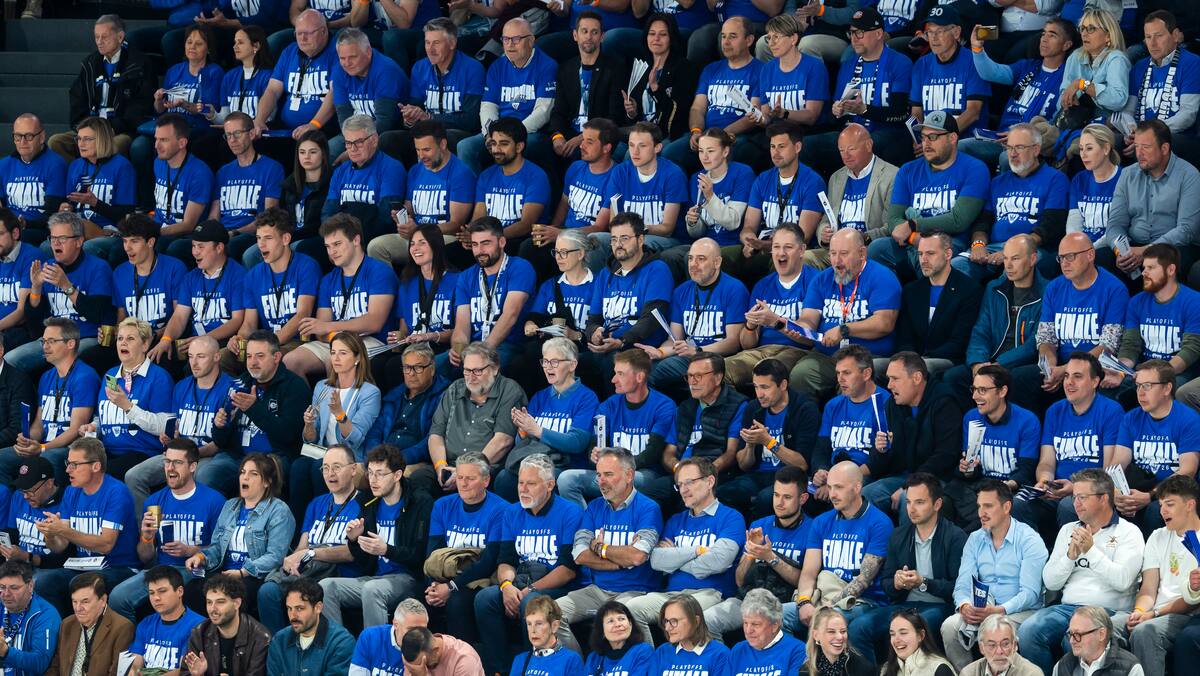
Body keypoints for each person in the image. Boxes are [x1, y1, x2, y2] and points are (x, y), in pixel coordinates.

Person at [1017, 468, 1145, 673]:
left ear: (1104, 498)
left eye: (1083, 497)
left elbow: (1123, 581)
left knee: (1078, 640)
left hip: (1108, 610)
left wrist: (1091, 551)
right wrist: (1070, 557)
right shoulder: (1068, 530)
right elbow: (1051, 583)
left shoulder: (1129, 532)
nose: (1075, 503)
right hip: (1068, 608)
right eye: (1075, 497)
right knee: (1028, 631)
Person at [474, 453, 583, 673]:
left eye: (531, 484)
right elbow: (505, 560)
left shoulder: (570, 512)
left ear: (550, 484)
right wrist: (506, 587)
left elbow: (568, 570)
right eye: (520, 483)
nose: (523, 489)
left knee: (531, 603)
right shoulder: (512, 512)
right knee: (485, 598)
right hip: (521, 582)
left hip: (556, 585)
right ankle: (499, 669)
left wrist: (528, 591)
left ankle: (532, 667)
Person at [552, 447, 662, 652]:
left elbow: (637, 556)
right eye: (599, 475)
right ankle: (579, 669)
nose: (601, 481)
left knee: (620, 614)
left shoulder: (648, 508)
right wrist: (620, 562)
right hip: (597, 590)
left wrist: (600, 548)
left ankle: (646, 668)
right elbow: (580, 555)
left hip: (635, 591)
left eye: (608, 475)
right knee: (552, 615)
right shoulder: (594, 508)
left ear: (629, 475)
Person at [623, 457, 744, 643]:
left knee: (680, 614)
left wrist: (676, 559)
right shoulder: (675, 520)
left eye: (689, 483)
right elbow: (656, 560)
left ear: (710, 481)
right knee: (630, 608)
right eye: (679, 485)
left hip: (710, 593)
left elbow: (720, 561)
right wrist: (697, 551)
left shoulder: (730, 517)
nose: (683, 490)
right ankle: (648, 665)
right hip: (672, 594)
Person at [110, 438, 226, 623]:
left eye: (178, 463)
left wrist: (191, 550)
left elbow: (221, 552)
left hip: (196, 570)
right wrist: (147, 538)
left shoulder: (214, 501)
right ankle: (136, 644)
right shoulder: (154, 502)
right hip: (162, 569)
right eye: (167, 462)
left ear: (193, 467)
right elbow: (145, 557)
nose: (170, 468)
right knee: (118, 597)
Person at [868, 111, 990, 282]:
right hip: (911, 241)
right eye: (923, 137)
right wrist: (914, 237)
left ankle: (925, 302)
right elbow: (894, 219)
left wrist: (914, 225)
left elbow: (958, 220)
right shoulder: (908, 170)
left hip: (949, 243)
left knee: (934, 255)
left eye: (933, 137)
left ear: (953, 138)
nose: (925, 143)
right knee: (876, 249)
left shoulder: (975, 169)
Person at [321, 444, 434, 629]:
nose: (373, 480)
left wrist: (386, 550)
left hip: (408, 579)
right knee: (326, 586)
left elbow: (420, 556)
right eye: (370, 473)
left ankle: (374, 651)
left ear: (397, 475)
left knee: (371, 590)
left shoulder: (419, 503)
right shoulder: (369, 503)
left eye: (380, 474)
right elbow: (363, 560)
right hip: (375, 578)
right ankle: (341, 648)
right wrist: (354, 539)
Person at [854, 473, 966, 658]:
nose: (911, 509)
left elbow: (958, 588)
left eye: (919, 502)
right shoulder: (899, 535)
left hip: (940, 607)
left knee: (913, 628)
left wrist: (923, 582)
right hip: (904, 606)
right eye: (908, 502)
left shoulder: (955, 537)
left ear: (937, 504)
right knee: (859, 627)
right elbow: (887, 584)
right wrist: (897, 583)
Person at [942, 481, 1049, 671]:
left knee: (1016, 631)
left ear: (1007, 507)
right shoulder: (974, 539)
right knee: (950, 627)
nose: (981, 513)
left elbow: (1030, 594)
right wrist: (965, 606)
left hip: (1019, 612)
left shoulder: (1029, 540)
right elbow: (962, 585)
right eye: (979, 506)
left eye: (988, 506)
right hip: (983, 610)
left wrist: (999, 610)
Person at [794, 461, 894, 660]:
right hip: (823, 595)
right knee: (779, 616)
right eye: (830, 487)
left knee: (831, 624)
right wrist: (804, 602)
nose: (832, 494)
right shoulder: (822, 522)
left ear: (857, 487)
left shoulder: (879, 523)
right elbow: (809, 572)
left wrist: (825, 608)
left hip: (863, 601)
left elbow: (863, 581)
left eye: (838, 487)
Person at [1019, 232, 1128, 413]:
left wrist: (1066, 371)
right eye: (1061, 258)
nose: (1065, 263)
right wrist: (1051, 368)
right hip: (1060, 364)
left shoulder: (1114, 289)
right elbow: (1046, 338)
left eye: (1070, 256)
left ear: (1090, 255)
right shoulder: (1054, 288)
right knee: (1020, 379)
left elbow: (1108, 346)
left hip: (1094, 367)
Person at [258, 444, 360, 633]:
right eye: (326, 468)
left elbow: (351, 553)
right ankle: (279, 648)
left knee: (308, 595)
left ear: (353, 469)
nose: (330, 474)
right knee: (268, 591)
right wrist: (293, 560)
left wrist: (312, 553)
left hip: (337, 573)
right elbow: (302, 546)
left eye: (337, 467)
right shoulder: (317, 503)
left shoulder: (363, 505)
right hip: (308, 571)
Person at [33, 438, 140, 618]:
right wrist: (50, 534)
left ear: (96, 466)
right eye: (68, 463)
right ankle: (64, 636)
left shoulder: (116, 492)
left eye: (75, 465)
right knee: (45, 582)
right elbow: (60, 546)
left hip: (118, 567)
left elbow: (106, 544)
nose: (68, 470)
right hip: (84, 567)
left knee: (81, 584)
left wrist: (63, 530)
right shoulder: (71, 491)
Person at [556, 349, 675, 508]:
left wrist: (617, 468)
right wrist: (595, 455)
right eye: (614, 373)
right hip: (609, 473)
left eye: (620, 374)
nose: (613, 380)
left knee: (623, 482)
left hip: (643, 474)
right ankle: (586, 525)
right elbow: (596, 442)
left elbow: (652, 453)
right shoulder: (609, 405)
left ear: (639, 377)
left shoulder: (663, 406)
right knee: (566, 479)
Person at [285, 214, 397, 380]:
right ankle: (311, 405)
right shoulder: (328, 280)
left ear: (356, 240)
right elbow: (321, 330)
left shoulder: (379, 272)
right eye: (328, 246)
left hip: (372, 341)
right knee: (290, 362)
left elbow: (375, 322)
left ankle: (338, 406)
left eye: (337, 244)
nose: (332, 252)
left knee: (339, 360)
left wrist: (329, 328)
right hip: (336, 341)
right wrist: (332, 335)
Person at [704, 466, 812, 640]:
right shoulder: (759, 524)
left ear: (803, 498)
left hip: (782, 603)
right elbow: (739, 581)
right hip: (747, 600)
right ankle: (725, 666)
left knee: (770, 623)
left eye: (787, 497)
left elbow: (805, 581)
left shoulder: (813, 529)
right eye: (776, 495)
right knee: (707, 621)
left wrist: (770, 557)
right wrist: (750, 554)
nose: (779, 502)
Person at [793, 228, 901, 399]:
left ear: (862, 253)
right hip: (828, 356)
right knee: (801, 374)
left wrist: (844, 330)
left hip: (866, 357)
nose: (837, 261)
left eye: (843, 253)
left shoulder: (881, 277)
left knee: (851, 381)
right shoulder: (822, 279)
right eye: (833, 254)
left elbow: (884, 323)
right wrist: (789, 326)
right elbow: (808, 320)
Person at [183, 453, 296, 617]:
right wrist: (200, 557)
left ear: (267, 482)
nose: (245, 477)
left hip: (256, 576)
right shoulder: (230, 506)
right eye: (243, 472)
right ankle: (204, 638)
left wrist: (243, 572)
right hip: (225, 573)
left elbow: (275, 556)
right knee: (193, 589)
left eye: (253, 474)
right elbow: (216, 548)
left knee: (231, 595)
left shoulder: (279, 510)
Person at [580, 213, 674, 397]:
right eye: (614, 239)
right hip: (609, 346)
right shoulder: (605, 275)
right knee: (573, 363)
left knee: (613, 364)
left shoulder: (657, 270)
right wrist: (596, 333)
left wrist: (622, 341)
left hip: (640, 350)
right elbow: (593, 319)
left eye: (624, 238)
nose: (618, 244)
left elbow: (651, 319)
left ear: (640, 239)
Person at [947, 235, 1046, 410]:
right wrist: (978, 363)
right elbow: (981, 330)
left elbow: (1036, 342)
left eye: (1015, 259)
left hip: (1018, 364)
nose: (1008, 265)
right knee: (953, 377)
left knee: (1018, 378)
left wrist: (999, 365)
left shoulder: (1048, 292)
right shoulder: (994, 288)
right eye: (1006, 258)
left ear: (1033, 259)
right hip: (990, 362)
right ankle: (971, 428)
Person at [8, 212, 116, 372]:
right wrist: (36, 287)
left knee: (65, 361)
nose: (56, 243)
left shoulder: (98, 268)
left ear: (79, 241)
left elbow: (97, 314)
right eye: (53, 238)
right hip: (51, 339)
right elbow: (33, 321)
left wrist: (67, 286)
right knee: (9, 361)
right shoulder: (49, 267)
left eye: (62, 239)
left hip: (83, 338)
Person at [643, 239, 748, 400]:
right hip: (689, 356)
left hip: (716, 358)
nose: (693, 264)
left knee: (657, 372)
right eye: (691, 258)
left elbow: (733, 342)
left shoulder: (734, 289)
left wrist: (698, 351)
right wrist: (660, 351)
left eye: (701, 259)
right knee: (642, 369)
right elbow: (675, 340)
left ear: (717, 262)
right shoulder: (682, 291)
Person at [961, 19, 1073, 169]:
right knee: (961, 148)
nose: (1044, 39)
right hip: (1001, 139)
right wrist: (977, 49)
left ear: (1067, 45)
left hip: (1029, 143)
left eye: (1052, 35)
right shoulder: (1028, 66)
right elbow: (992, 73)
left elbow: (1058, 121)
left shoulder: (1067, 77)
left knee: (1006, 159)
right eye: (1043, 34)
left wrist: (1021, 135)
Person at [808, 9, 911, 173]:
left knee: (864, 146)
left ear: (878, 34)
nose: (854, 39)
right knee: (806, 146)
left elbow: (900, 113)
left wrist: (864, 110)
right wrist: (838, 111)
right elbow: (837, 115)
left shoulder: (900, 63)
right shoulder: (849, 64)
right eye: (852, 33)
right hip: (851, 134)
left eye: (860, 33)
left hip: (887, 133)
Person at [422, 452, 509, 644]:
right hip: (446, 576)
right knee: (422, 598)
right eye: (460, 477)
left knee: (457, 602)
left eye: (470, 478)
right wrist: (435, 586)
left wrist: (451, 587)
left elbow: (490, 560)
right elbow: (433, 553)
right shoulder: (442, 506)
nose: (463, 483)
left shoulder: (501, 510)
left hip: (481, 578)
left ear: (486, 481)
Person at [1118, 474, 1200, 676]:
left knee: (1146, 632)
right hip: (1152, 612)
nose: (1162, 511)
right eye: (1161, 504)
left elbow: (1193, 601)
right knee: (1104, 626)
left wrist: (1152, 615)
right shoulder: (1157, 536)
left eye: (1170, 504)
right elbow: (1148, 588)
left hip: (1184, 614)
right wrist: (1139, 611)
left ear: (1190, 505)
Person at [1030, 353, 1124, 529]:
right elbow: (1046, 462)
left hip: (1093, 493)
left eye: (1077, 377)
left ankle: (1074, 556)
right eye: (1066, 376)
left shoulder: (1111, 411)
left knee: (1069, 505)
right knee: (1020, 505)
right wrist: (1045, 482)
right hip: (1059, 491)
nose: (1069, 382)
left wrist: (1075, 487)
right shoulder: (1054, 411)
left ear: (1095, 382)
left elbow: (1108, 470)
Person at [1102, 120, 1200, 288]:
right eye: (1137, 146)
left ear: (1164, 148)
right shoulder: (1127, 174)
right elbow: (1115, 224)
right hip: (1133, 246)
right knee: (1098, 259)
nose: (1139, 153)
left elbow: (1186, 230)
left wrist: (1147, 251)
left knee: (1165, 265)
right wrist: (1121, 252)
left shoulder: (1189, 176)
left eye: (1146, 147)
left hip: (1173, 248)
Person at [0, 318, 97, 485]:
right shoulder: (46, 377)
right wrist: (27, 440)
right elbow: (38, 425)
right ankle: (11, 506)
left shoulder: (85, 377)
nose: (44, 346)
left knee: (47, 458)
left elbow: (75, 430)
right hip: (42, 446)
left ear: (71, 344)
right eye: (43, 341)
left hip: (67, 449)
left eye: (51, 341)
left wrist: (42, 448)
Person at [662, 18, 763, 176]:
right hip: (706, 134)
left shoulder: (760, 70)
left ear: (749, 40)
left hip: (737, 136)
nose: (726, 42)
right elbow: (698, 107)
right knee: (671, 154)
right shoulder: (711, 69)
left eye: (733, 36)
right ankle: (685, 199)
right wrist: (696, 131)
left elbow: (754, 113)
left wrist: (720, 136)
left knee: (740, 152)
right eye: (723, 36)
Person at [458, 18, 558, 175]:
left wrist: (513, 138)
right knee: (466, 146)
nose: (510, 44)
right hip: (499, 132)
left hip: (531, 132)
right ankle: (472, 198)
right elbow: (488, 106)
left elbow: (543, 111)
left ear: (531, 40)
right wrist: (489, 135)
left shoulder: (547, 65)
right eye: (505, 39)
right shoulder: (497, 66)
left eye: (516, 39)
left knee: (528, 144)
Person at [294, 332, 381, 512]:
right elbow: (310, 438)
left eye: (343, 353)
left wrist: (340, 415)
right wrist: (309, 424)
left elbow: (356, 439)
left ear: (357, 358)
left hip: (350, 457)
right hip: (320, 451)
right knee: (298, 466)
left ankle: (327, 517)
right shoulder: (322, 387)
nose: (336, 358)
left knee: (321, 468)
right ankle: (302, 527)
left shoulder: (369, 393)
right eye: (333, 353)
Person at [948, 364, 1042, 530]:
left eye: (983, 390)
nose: (975, 396)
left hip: (1010, 488)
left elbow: (1026, 471)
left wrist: (1006, 486)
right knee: (945, 495)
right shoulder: (971, 418)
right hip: (980, 485)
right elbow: (970, 470)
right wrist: (967, 469)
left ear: (1002, 391)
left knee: (995, 508)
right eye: (974, 389)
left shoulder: (1027, 421)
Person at [370, 121, 475, 270]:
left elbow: (455, 224)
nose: (421, 155)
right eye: (418, 150)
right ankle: (390, 292)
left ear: (443, 144)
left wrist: (419, 230)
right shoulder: (415, 170)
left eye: (426, 149)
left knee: (425, 250)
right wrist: (402, 216)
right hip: (416, 235)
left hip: (442, 237)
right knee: (376, 247)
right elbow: (409, 207)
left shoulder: (461, 174)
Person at [721, 359, 819, 517]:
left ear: (783, 385)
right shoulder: (753, 408)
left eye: (765, 387)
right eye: (756, 387)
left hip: (791, 477)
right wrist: (750, 445)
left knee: (766, 499)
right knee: (725, 493)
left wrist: (768, 441)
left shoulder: (804, 409)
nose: (759, 394)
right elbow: (744, 465)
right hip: (757, 475)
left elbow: (802, 465)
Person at [501, 339, 599, 497]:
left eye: (554, 362)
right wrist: (523, 430)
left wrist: (537, 430)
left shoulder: (587, 398)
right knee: (504, 479)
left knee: (542, 482)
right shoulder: (540, 396)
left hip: (567, 465)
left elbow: (577, 443)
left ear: (572, 365)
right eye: (545, 361)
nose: (547, 367)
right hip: (537, 463)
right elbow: (522, 445)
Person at [380, 18, 484, 164]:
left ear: (452, 43)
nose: (430, 49)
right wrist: (410, 117)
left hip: (456, 133)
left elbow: (470, 121)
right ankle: (409, 182)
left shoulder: (473, 69)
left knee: (443, 139)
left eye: (436, 43)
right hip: (426, 132)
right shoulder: (419, 68)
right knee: (387, 139)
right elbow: (417, 108)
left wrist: (430, 117)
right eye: (427, 42)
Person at [1114, 360, 1200, 532]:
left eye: (1147, 386)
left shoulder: (1188, 420)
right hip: (1137, 487)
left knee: (1157, 510)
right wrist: (1117, 494)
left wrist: (1150, 496)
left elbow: (1187, 471)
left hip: (1173, 492)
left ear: (1167, 389)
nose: (1140, 393)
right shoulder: (1131, 418)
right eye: (1138, 386)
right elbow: (1116, 465)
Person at [872, 355, 963, 517]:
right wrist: (883, 451)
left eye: (895, 379)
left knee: (910, 500)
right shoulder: (892, 405)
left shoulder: (944, 403)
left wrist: (910, 484)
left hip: (936, 479)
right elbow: (885, 466)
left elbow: (945, 455)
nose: (889, 385)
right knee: (867, 496)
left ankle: (911, 543)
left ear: (917, 378)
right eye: (888, 379)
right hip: (904, 476)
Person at [725, 222, 813, 388]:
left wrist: (775, 322)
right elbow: (747, 344)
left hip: (798, 351)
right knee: (719, 371)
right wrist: (751, 326)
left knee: (768, 373)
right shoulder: (762, 285)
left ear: (801, 250)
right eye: (776, 247)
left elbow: (810, 338)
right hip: (761, 351)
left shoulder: (815, 282)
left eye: (788, 247)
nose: (781, 253)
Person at [732, 123, 824, 282]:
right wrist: (750, 241)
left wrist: (766, 245)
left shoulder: (813, 182)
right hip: (761, 247)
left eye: (781, 146)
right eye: (772, 146)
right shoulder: (762, 179)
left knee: (779, 260)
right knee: (720, 258)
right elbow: (748, 226)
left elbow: (803, 237)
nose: (775, 152)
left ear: (797, 147)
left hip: (790, 252)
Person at [229, 208, 321, 365]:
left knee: (271, 360)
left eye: (268, 238)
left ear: (285, 239)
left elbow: (302, 314)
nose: (261, 245)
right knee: (221, 358)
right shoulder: (253, 275)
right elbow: (250, 323)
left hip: (297, 341)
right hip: (265, 344)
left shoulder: (306, 266)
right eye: (258, 238)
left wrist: (268, 344)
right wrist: (240, 338)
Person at [651, 354, 748, 502]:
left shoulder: (737, 405)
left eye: (698, 376)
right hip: (682, 475)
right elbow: (669, 452)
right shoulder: (685, 407)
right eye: (689, 376)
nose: (692, 382)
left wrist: (702, 475)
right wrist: (679, 469)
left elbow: (731, 453)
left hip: (713, 476)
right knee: (650, 492)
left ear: (717, 378)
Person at [56, 15, 155, 160]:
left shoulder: (139, 64)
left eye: (104, 37)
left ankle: (102, 182)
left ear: (120, 37)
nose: (99, 42)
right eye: (96, 37)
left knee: (114, 146)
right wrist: (85, 129)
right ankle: (78, 180)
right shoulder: (90, 64)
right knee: (57, 143)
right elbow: (77, 98)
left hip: (121, 130)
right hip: (91, 128)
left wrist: (110, 128)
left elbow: (140, 106)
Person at [444, 217, 535, 373]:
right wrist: (459, 348)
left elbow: (510, 315)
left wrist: (483, 350)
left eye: (486, 243)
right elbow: (462, 323)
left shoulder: (520, 268)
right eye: (475, 245)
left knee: (481, 369)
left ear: (502, 242)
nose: (480, 251)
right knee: (431, 368)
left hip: (506, 345)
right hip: (473, 347)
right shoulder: (466, 276)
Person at [427, 341, 527, 484]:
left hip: (485, 468)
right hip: (449, 465)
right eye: (467, 370)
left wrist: (465, 472)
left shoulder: (510, 391)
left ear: (495, 368)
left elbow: (503, 441)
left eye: (477, 371)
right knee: (420, 479)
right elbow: (436, 434)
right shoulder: (455, 389)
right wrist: (440, 467)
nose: (471, 377)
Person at [90, 317, 176, 477]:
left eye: (130, 339)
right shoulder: (111, 375)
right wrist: (94, 427)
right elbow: (102, 417)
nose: (123, 343)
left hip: (143, 453)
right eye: (120, 338)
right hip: (107, 451)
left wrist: (128, 407)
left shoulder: (159, 377)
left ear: (145, 344)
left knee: (101, 475)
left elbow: (164, 426)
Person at [811, 346, 892, 507]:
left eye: (846, 373)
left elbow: (884, 458)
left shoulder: (886, 403)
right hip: (835, 474)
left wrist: (839, 481)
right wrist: (821, 470)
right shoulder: (833, 405)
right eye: (838, 373)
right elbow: (822, 448)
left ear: (866, 374)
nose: (840, 379)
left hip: (867, 475)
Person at [595, 122, 688, 259]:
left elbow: (667, 228)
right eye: (631, 145)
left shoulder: (673, 174)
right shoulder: (620, 172)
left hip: (664, 239)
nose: (635, 152)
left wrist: (637, 230)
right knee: (594, 240)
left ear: (657, 147)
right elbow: (614, 221)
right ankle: (604, 280)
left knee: (640, 244)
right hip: (626, 237)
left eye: (642, 146)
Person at [811, 125, 899, 266]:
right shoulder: (836, 178)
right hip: (837, 250)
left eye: (851, 149)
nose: (846, 155)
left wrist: (864, 237)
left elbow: (892, 226)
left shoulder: (892, 176)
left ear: (869, 145)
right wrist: (823, 233)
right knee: (804, 259)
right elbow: (826, 219)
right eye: (841, 150)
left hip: (868, 249)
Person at [547, 12, 629, 164]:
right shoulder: (566, 68)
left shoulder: (615, 68)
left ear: (602, 37)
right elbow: (559, 111)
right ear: (575, 35)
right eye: (584, 31)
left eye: (594, 32)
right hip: (569, 135)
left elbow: (614, 117)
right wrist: (557, 137)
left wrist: (582, 138)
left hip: (599, 137)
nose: (589, 37)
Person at [1118, 244, 1200, 394]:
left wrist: (1154, 375)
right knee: (1110, 386)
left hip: (1179, 372)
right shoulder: (1136, 302)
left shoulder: (1194, 302)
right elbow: (1131, 345)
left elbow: (1191, 350)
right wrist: (1120, 371)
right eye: (1144, 268)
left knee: (1159, 391)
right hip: (1144, 370)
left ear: (1170, 270)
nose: (1144, 273)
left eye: (1151, 268)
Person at [898, 231, 983, 373]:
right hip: (912, 362)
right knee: (878, 367)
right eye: (920, 254)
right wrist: (912, 360)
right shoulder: (911, 291)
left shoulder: (970, 290)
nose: (923, 260)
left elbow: (959, 342)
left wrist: (922, 360)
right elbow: (904, 338)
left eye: (930, 254)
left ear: (948, 255)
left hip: (948, 361)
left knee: (924, 369)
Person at [1123, 10, 1200, 166]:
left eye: (1159, 36)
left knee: (1155, 148)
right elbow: (1128, 110)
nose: (1152, 43)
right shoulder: (1139, 66)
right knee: (1105, 142)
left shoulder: (1192, 63)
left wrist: (1150, 135)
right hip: (1140, 135)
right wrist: (1132, 131)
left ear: (1175, 35)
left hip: (1175, 136)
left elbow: (1188, 114)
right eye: (1148, 37)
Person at [211, 113, 286, 263]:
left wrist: (235, 232)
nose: (232, 140)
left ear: (251, 134)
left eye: (237, 134)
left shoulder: (272, 168)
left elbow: (268, 217)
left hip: (251, 234)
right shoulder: (223, 172)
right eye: (228, 135)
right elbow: (214, 216)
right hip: (223, 234)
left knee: (230, 247)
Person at [319, 115, 408, 241]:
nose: (353, 149)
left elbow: (386, 219)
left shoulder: (391, 168)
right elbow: (328, 213)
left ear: (374, 140)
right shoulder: (340, 171)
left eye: (359, 142)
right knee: (302, 247)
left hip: (372, 238)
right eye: (348, 143)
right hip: (341, 239)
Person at [64, 118, 137, 267]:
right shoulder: (76, 165)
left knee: (88, 248)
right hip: (78, 229)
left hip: (110, 231)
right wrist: (65, 207)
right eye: (78, 138)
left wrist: (95, 203)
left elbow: (126, 216)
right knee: (47, 247)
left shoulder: (122, 167)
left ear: (103, 140)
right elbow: (69, 201)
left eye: (87, 139)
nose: (81, 144)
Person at [253, 10, 338, 137]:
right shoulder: (289, 52)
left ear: (324, 31)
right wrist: (259, 120)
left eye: (308, 33)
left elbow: (335, 92)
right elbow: (272, 90)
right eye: (299, 33)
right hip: (285, 129)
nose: (303, 38)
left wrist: (314, 125)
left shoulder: (337, 51)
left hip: (320, 129)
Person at [909, 6, 990, 137]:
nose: (934, 38)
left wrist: (942, 138)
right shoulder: (921, 64)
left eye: (940, 31)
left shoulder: (974, 62)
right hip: (931, 140)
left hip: (965, 139)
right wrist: (920, 139)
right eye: (930, 31)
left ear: (956, 32)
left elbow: (973, 112)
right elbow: (916, 112)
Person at [365, 341, 450, 465]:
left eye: (418, 367)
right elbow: (375, 432)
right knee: (347, 472)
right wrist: (374, 457)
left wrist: (398, 461)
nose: (411, 373)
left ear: (432, 369)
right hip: (383, 460)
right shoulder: (394, 395)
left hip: (415, 462)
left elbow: (433, 439)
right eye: (407, 367)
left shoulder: (443, 396)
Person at [147, 114, 216, 261]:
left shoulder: (199, 173)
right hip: (161, 228)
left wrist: (153, 232)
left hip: (186, 236)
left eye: (163, 140)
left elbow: (188, 225)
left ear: (182, 143)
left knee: (165, 247)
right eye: (156, 139)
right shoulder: (158, 163)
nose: (156, 145)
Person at [471, 118, 551, 242]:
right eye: (493, 143)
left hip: (521, 240)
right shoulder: (486, 175)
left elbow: (526, 225)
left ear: (519, 147)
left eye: (503, 144)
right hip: (490, 241)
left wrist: (492, 238)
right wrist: (470, 234)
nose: (496, 149)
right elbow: (478, 219)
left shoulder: (536, 177)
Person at [110, 214, 186, 340]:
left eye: (134, 241)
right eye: (125, 241)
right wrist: (114, 332)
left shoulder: (174, 268)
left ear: (150, 242)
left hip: (163, 339)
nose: (127, 248)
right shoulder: (120, 273)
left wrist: (155, 336)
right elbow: (121, 319)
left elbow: (180, 317)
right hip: (132, 342)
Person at [45, 572, 135, 676]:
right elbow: (56, 667)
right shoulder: (67, 624)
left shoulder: (122, 628)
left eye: (85, 602)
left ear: (103, 600)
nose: (78, 608)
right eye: (74, 601)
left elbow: (117, 673)